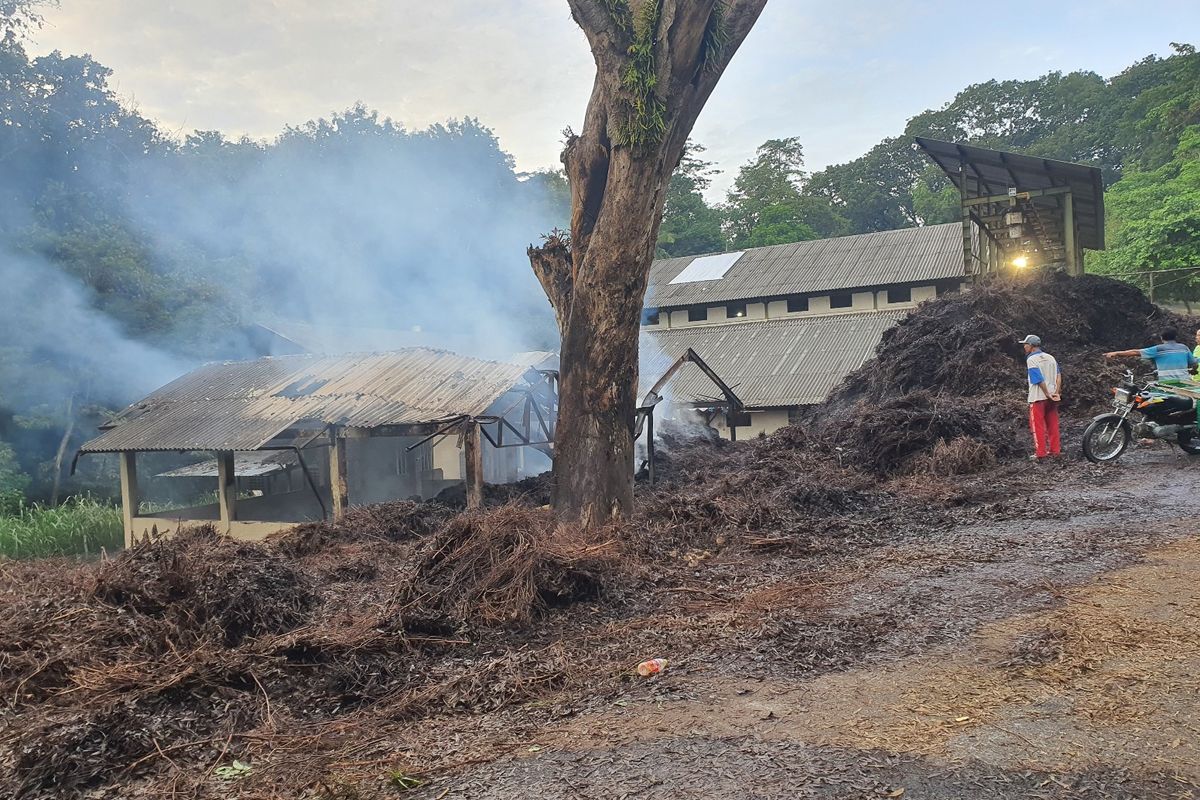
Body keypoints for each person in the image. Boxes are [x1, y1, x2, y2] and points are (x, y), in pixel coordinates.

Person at [1020, 334, 1062, 460]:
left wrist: (1046, 393)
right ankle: (1055, 450)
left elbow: (1038, 379)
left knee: (1037, 425)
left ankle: (1041, 453)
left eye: (1025, 344)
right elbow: (1058, 376)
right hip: (1052, 397)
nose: (1024, 347)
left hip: (1038, 397)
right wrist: (1056, 392)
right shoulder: (1051, 358)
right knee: (1053, 424)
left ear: (1031, 346)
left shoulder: (1031, 360)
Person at [1104, 328, 1197, 382]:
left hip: (1166, 383)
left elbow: (1136, 352)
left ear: (1162, 338)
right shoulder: (1184, 348)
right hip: (1185, 382)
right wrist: (1193, 370)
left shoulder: (1158, 349)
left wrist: (1116, 353)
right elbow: (1193, 363)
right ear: (1176, 337)